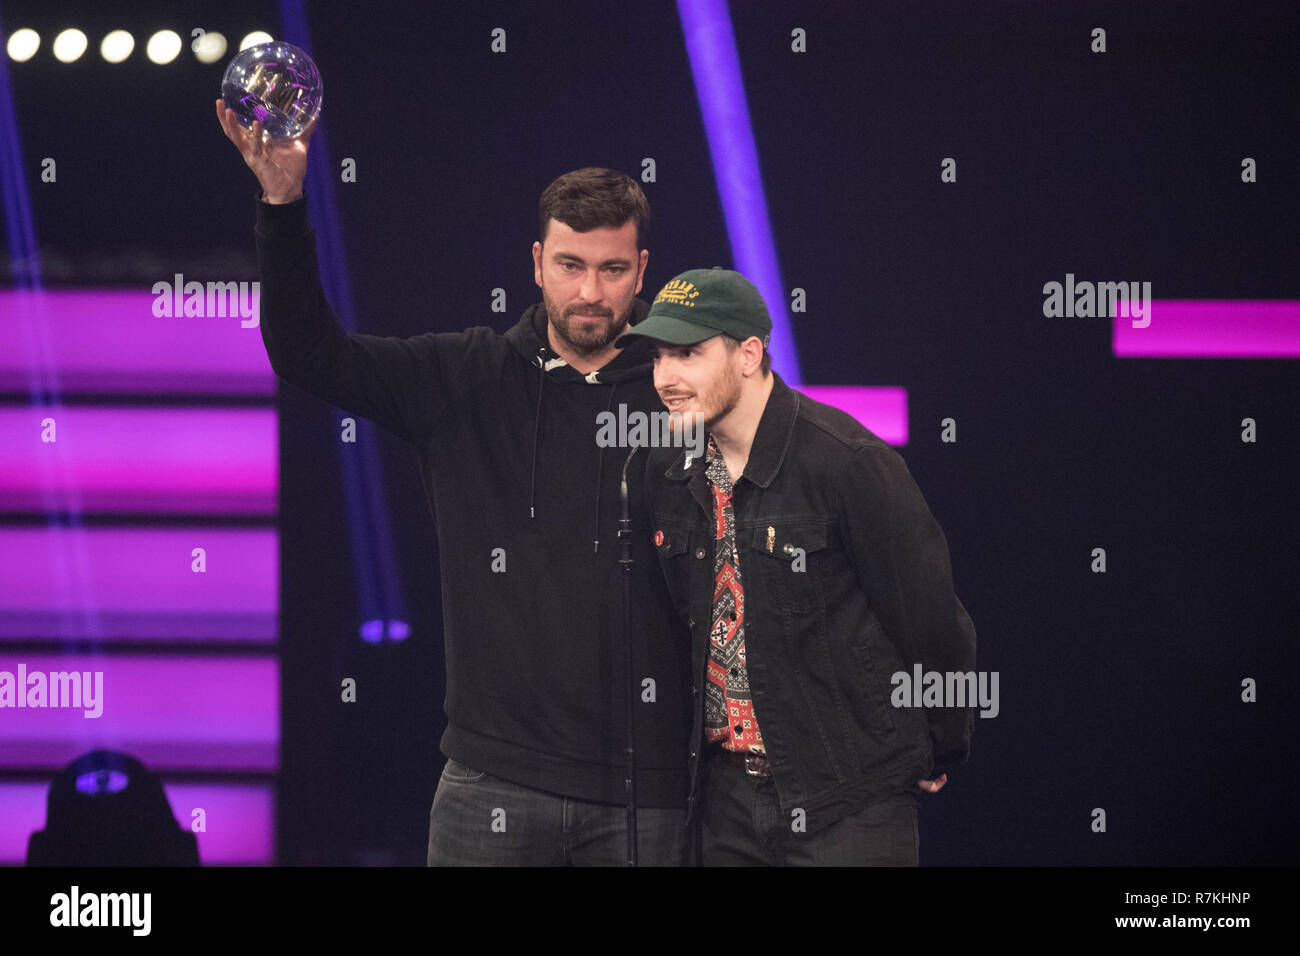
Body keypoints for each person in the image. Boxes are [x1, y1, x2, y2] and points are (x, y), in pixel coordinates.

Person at [215, 103, 693, 865]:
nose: (590, 293)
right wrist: (282, 206)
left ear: (643, 269)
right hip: (492, 785)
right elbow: (307, 352)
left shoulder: (687, 395)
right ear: (537, 263)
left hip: (653, 793)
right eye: (571, 266)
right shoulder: (465, 377)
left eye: (611, 269)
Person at [616, 267, 977, 865]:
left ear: (749, 354)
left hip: (848, 793)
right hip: (723, 800)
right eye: (659, 356)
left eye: (687, 354)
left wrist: (938, 746)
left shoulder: (847, 462)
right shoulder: (668, 469)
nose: (666, 378)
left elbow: (931, 620)